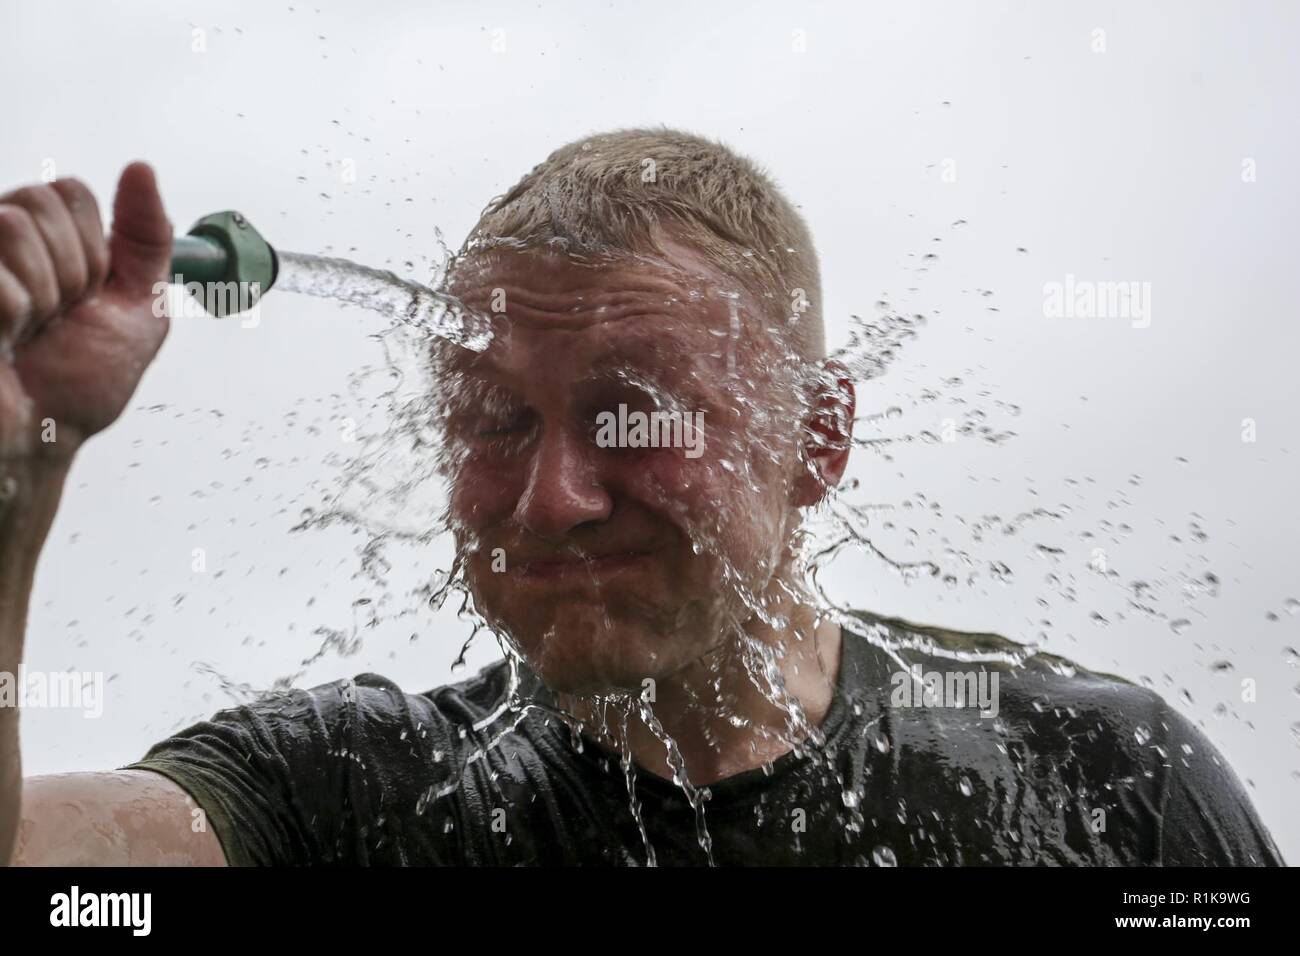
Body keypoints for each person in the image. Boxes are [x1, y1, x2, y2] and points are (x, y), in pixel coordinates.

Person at [0, 128, 1283, 866]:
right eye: (496, 419)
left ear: (817, 438)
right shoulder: (344, 796)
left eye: (633, 413)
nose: (550, 498)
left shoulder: (1104, 778)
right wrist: (19, 469)